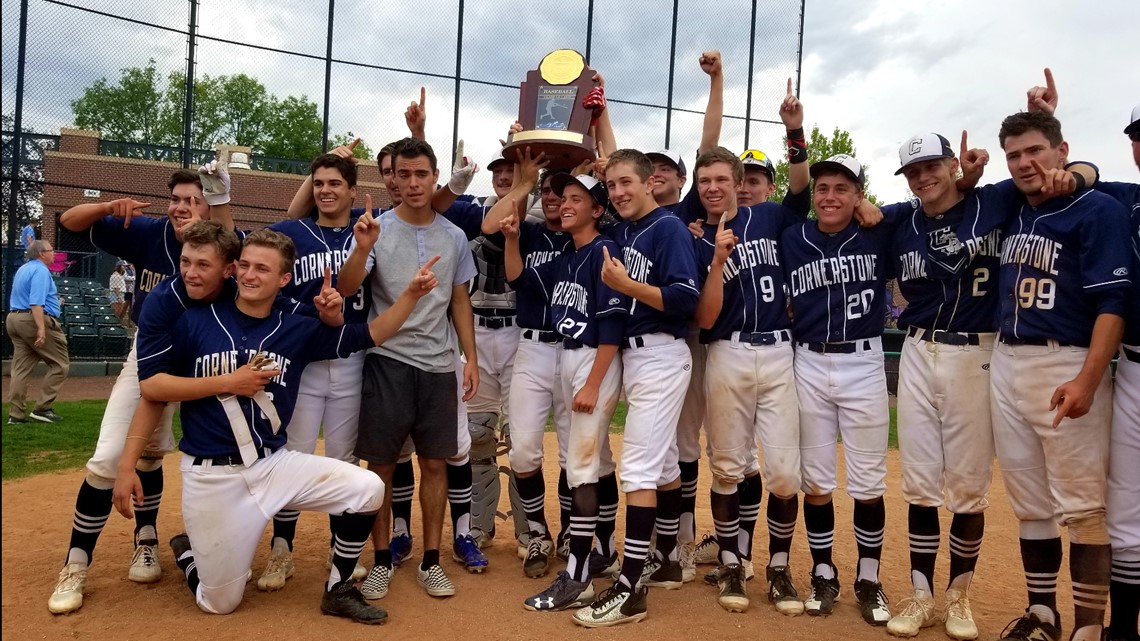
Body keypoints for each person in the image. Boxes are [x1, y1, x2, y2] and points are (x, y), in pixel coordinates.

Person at [129, 229, 438, 624]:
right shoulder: (194, 321)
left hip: (271, 466)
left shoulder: (296, 327)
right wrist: (227, 382)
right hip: (212, 476)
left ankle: (337, 590)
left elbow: (370, 334)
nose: (250, 275)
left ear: (284, 279)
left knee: (367, 488)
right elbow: (153, 388)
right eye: (244, 265)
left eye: (262, 268)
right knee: (219, 603)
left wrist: (411, 293)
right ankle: (189, 553)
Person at [47, 167, 229, 614]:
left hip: (205, 358)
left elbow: (234, 241)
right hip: (150, 352)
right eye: (177, 199)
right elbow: (69, 221)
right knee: (110, 457)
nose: (183, 207)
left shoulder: (223, 242)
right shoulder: (147, 231)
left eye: (195, 199)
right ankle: (76, 563)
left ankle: (146, 537)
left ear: (210, 209)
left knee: (155, 453)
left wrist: (222, 194)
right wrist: (109, 207)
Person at [990, 111, 1131, 641]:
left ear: (1061, 150)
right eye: (1014, 154)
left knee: (1082, 504)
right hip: (1006, 360)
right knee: (1030, 502)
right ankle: (1043, 614)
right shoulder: (1014, 210)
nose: (1025, 162)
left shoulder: (1097, 211)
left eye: (1035, 150)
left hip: (1065, 359)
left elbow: (1113, 303)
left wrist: (1088, 381)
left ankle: (1089, 627)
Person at [879, 132, 1011, 640]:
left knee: (969, 489)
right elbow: (858, 213)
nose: (923, 177)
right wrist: (869, 209)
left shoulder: (994, 201)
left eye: (932, 166)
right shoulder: (900, 222)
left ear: (954, 164)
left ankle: (959, 596)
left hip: (976, 352)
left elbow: (1064, 177)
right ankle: (921, 596)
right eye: (913, 171)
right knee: (919, 484)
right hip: (916, 348)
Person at [335, 136, 479, 600]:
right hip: (387, 360)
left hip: (438, 365)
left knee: (436, 463)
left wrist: (470, 356)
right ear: (391, 177)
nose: (413, 183)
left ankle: (432, 561)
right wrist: (361, 248)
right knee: (380, 467)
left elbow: (459, 299)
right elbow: (346, 285)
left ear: (435, 177)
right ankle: (381, 562)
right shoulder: (377, 227)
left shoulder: (455, 236)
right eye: (404, 174)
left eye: (422, 174)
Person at [567, 148, 699, 628]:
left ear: (650, 184)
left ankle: (630, 589)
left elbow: (686, 299)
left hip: (661, 352)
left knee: (638, 471)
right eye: (614, 184)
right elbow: (596, 190)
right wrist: (595, 166)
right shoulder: (624, 230)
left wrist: (628, 286)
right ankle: (665, 559)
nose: (620, 192)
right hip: (635, 357)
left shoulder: (667, 228)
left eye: (629, 183)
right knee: (662, 464)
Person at [691, 140, 813, 614]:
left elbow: (802, 191)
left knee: (784, 475)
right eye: (706, 181)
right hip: (726, 352)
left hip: (779, 351)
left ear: (740, 184)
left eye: (723, 179)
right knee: (726, 468)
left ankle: (779, 569)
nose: (714, 188)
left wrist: (795, 133)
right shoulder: (695, 238)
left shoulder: (768, 217)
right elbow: (704, 318)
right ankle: (731, 563)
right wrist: (717, 261)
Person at [501, 173, 627, 612]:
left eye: (578, 199)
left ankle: (578, 577)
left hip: (592, 359)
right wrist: (514, 237)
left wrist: (593, 381)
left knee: (582, 467)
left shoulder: (602, 252)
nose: (566, 203)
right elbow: (521, 280)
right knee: (583, 464)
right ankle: (594, 558)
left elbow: (613, 322)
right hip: (568, 357)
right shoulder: (569, 256)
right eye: (563, 197)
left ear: (598, 210)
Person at [782, 153, 896, 625]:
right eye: (824, 188)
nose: (831, 197)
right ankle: (823, 571)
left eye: (843, 189)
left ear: (857, 195)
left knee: (869, 482)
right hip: (807, 359)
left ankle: (868, 578)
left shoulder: (880, 230)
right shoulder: (793, 237)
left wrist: (874, 207)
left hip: (865, 361)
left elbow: (929, 206)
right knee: (817, 481)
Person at [253, 153, 375, 591]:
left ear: (351, 190)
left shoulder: (368, 226)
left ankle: (340, 548)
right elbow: (286, 217)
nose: (326, 190)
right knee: (293, 456)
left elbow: (351, 287)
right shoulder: (292, 231)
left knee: (342, 458)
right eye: (318, 183)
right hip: (301, 356)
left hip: (347, 356)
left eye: (334, 183)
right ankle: (281, 551)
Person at [6, 240, 69, 425]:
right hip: (32, 320)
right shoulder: (41, 270)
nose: (54, 253)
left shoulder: (24, 268)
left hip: (14, 318)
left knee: (20, 369)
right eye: (51, 250)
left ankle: (15, 415)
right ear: (42, 253)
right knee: (60, 365)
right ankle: (43, 409)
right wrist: (41, 329)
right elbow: (35, 303)